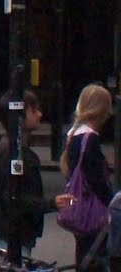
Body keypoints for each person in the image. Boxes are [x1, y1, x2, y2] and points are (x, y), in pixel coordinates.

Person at [0, 89, 64, 259]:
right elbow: (15, 197)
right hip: (11, 236)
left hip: (9, 234)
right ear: (19, 117)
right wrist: (52, 204)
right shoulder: (14, 153)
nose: (39, 114)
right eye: (33, 110)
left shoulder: (11, 148)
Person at [60, 82, 115, 266]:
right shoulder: (90, 138)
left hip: (79, 207)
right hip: (93, 211)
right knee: (94, 256)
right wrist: (112, 202)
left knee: (84, 256)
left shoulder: (73, 134)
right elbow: (95, 179)